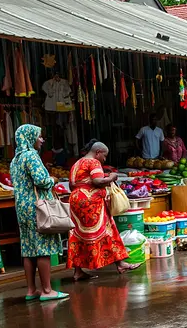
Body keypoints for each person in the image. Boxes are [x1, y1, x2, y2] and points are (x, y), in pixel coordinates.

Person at [10, 125, 69, 302]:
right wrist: (53, 179)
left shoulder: (16, 159)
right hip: (37, 207)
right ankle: (47, 290)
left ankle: (31, 290)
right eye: (39, 136)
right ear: (30, 138)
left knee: (28, 248)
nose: (42, 140)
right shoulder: (31, 156)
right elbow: (41, 181)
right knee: (43, 247)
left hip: (22, 207)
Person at [68, 141, 140, 281]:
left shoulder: (77, 164)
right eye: (104, 156)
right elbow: (98, 181)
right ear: (98, 152)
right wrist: (112, 176)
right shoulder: (93, 162)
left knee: (77, 235)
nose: (104, 160)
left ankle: (78, 271)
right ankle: (121, 264)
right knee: (108, 230)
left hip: (76, 201)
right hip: (91, 202)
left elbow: (71, 184)